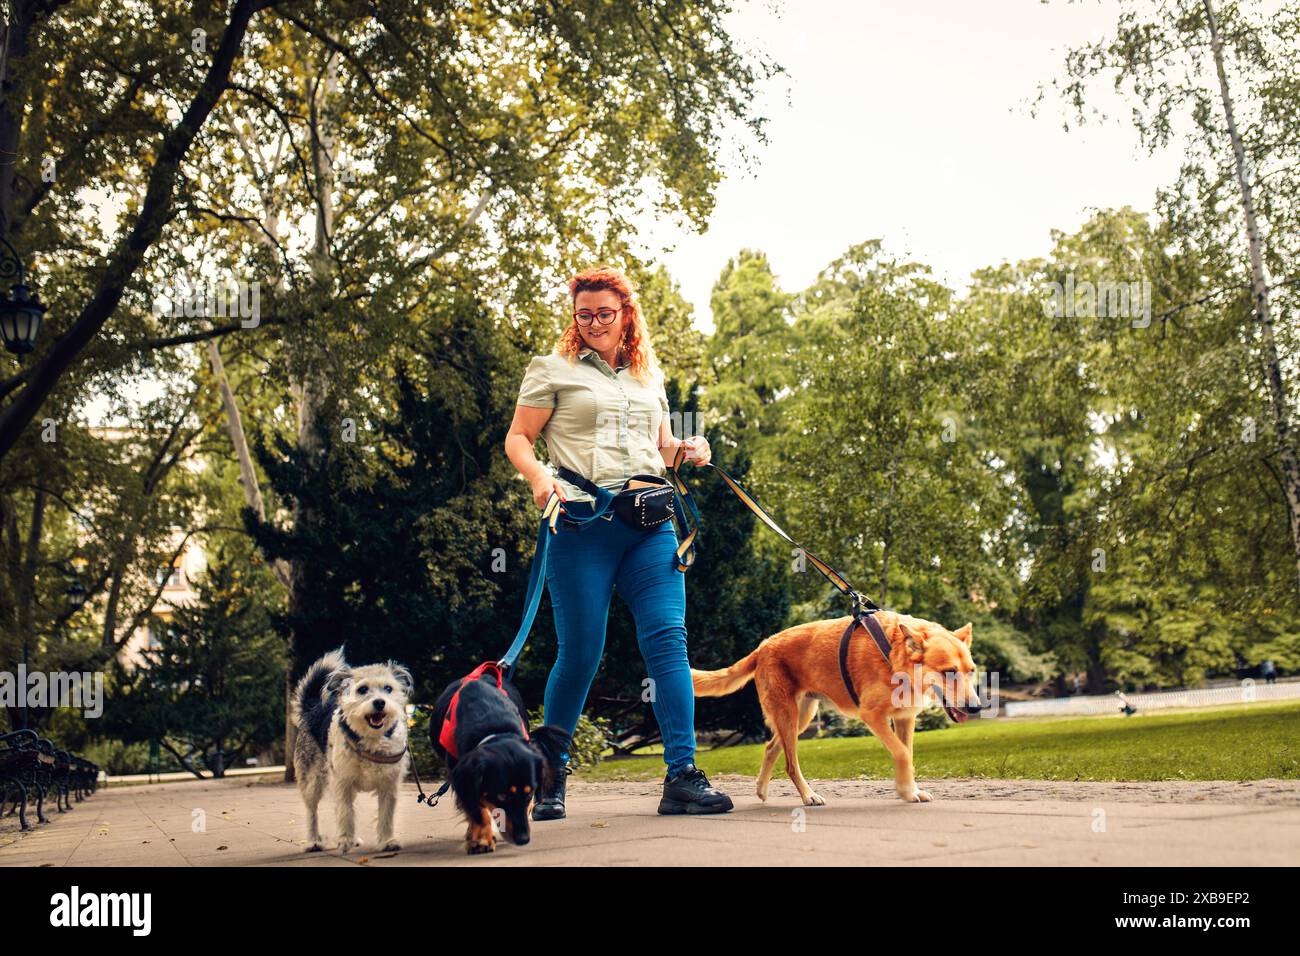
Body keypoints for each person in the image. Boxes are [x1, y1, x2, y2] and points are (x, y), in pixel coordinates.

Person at [504, 265, 733, 820]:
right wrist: (540, 480)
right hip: (582, 527)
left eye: (605, 313)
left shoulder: (646, 378)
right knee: (581, 652)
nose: (594, 324)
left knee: (668, 641)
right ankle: (550, 773)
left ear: (626, 313)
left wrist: (689, 450)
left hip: (650, 525)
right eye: (584, 315)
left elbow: (661, 450)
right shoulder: (552, 369)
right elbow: (518, 438)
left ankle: (682, 775)